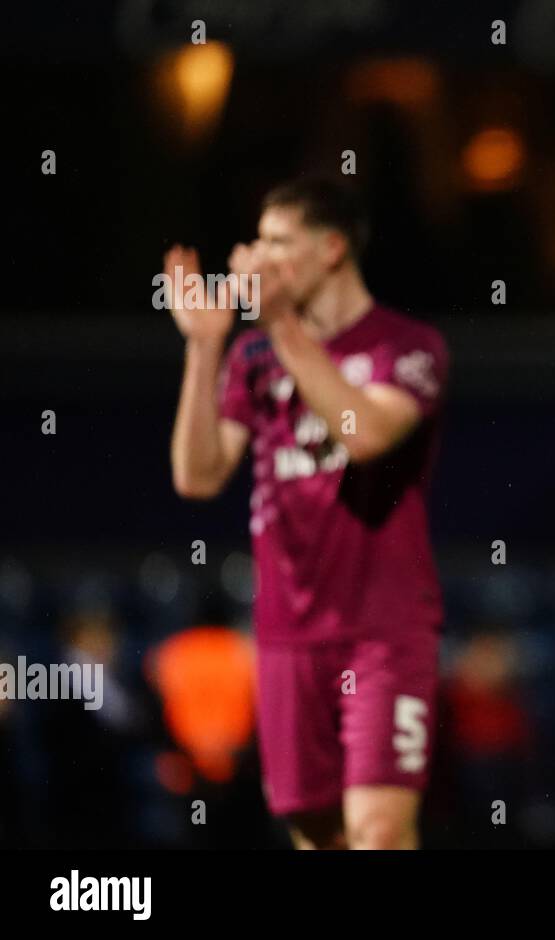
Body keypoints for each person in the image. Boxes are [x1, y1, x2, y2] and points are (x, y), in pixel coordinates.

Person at [165, 178, 449, 849]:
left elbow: (367, 433)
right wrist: (206, 345)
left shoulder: (405, 347)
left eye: (279, 245)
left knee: (377, 832)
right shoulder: (252, 357)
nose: (259, 262)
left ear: (331, 249)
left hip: (385, 631)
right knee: (319, 833)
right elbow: (197, 476)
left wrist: (281, 324)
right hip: (288, 634)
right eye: (257, 244)